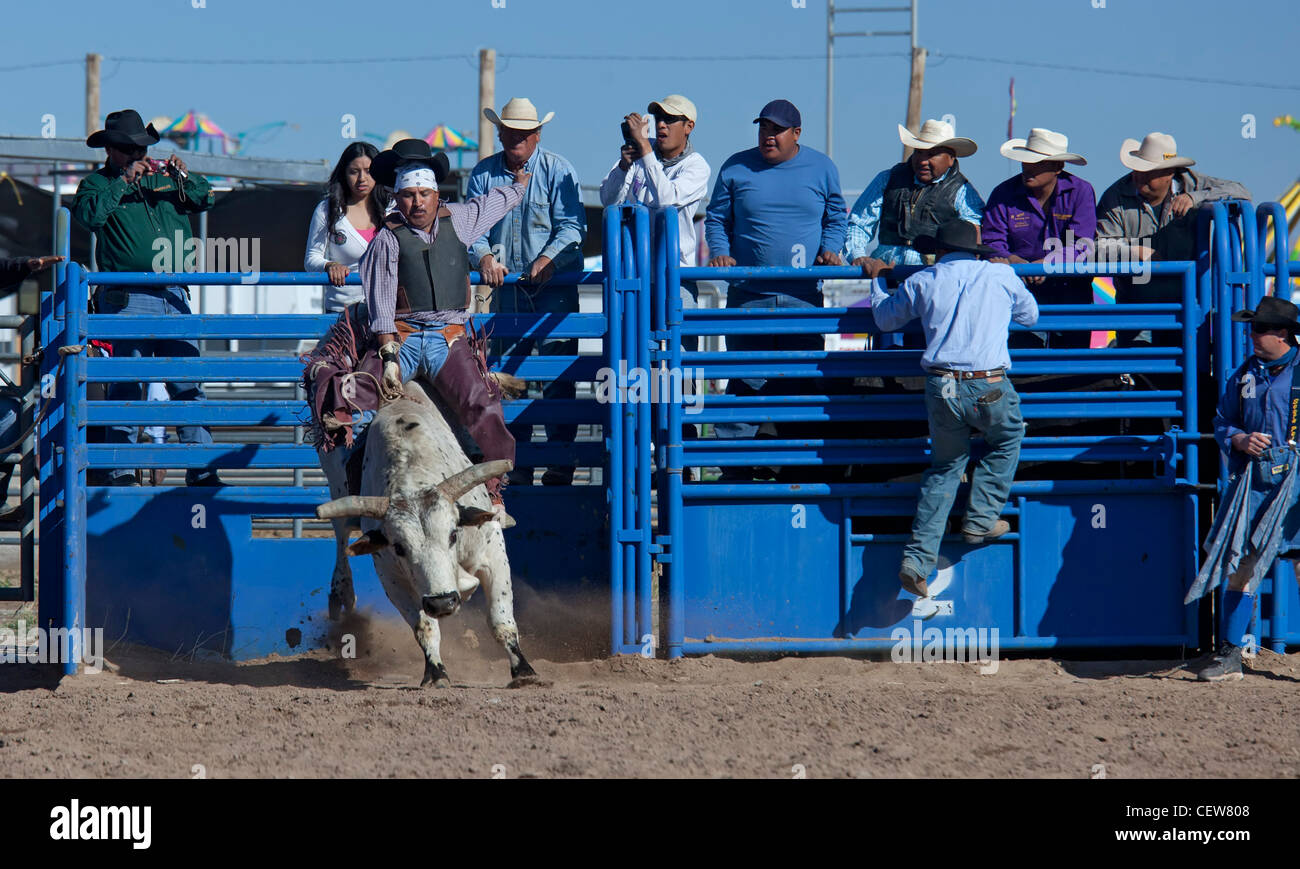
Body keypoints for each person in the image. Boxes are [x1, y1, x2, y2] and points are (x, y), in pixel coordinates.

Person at [867, 220, 1039, 597]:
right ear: (975, 251)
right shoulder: (1000, 276)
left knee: (945, 469)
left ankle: (916, 560)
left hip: (941, 385)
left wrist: (878, 280)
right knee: (1007, 439)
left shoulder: (924, 279)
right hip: (989, 383)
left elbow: (884, 318)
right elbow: (1031, 317)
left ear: (939, 251)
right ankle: (980, 519)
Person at [357, 138, 530, 509]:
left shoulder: (461, 219)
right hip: (401, 338)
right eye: (407, 195)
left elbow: (492, 204)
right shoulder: (386, 239)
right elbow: (381, 303)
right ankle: (356, 481)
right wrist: (388, 357)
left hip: (447, 338)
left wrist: (518, 186)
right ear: (397, 198)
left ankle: (493, 490)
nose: (416, 202)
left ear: (436, 195)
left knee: (482, 405)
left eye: (423, 193)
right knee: (357, 398)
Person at [71, 109, 221, 487]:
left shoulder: (165, 178)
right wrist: (122, 181)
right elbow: (89, 217)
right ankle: (120, 470)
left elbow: (206, 197)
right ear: (110, 150)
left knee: (188, 381)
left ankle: (200, 468)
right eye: (127, 148)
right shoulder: (96, 184)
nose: (136, 154)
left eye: (140, 147)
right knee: (126, 382)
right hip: (127, 296)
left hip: (173, 291)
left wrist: (183, 175)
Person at [703, 99, 847, 479]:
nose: (768, 135)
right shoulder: (736, 166)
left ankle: (799, 467)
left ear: (796, 133)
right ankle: (735, 468)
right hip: (749, 294)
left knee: (800, 378)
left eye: (777, 129)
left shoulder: (821, 167)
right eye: (764, 127)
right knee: (745, 377)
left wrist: (832, 249)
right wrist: (719, 253)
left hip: (803, 297)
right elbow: (716, 218)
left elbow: (837, 215)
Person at [466, 98, 586, 487]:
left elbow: (572, 227)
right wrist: (484, 257)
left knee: (554, 378)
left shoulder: (557, 170)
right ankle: (515, 463)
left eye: (523, 132)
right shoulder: (484, 174)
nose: (515, 138)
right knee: (507, 379)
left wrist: (548, 258)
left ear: (536, 135)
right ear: (500, 133)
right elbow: (472, 230)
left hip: (551, 290)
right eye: (509, 131)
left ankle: (555, 463)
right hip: (511, 292)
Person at [1187, 297, 1300, 681]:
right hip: (1257, 482)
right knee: (1241, 565)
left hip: (1297, 484)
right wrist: (1238, 440)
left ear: (1282, 334)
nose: (1252, 336)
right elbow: (1223, 420)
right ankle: (1231, 655)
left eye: (1259, 329)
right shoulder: (1245, 374)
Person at [1096, 132, 1251, 346]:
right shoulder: (1115, 196)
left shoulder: (1193, 186)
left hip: (1186, 300)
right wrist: (1134, 250)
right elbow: (1099, 246)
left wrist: (1194, 198)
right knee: (1141, 365)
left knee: (1186, 367)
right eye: (1137, 169)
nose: (1139, 176)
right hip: (1136, 300)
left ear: (1170, 173)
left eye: (1148, 172)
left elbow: (1241, 191)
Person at [982, 128, 1096, 348]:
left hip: (1070, 287)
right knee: (1023, 354)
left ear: (1058, 167)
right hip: (1019, 287)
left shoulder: (1080, 192)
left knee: (1071, 360)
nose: (1028, 168)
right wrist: (1012, 260)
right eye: (1026, 161)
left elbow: (1082, 244)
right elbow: (991, 242)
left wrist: (1047, 264)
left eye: (1038, 163)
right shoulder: (1002, 194)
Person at [845, 119, 984, 279]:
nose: (923, 161)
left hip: (933, 279)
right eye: (918, 152)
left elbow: (973, 239)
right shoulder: (888, 179)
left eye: (932, 154)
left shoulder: (963, 191)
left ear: (951, 158)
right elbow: (860, 224)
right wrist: (858, 256)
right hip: (886, 275)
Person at [305, 142, 389, 312]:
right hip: (341, 314)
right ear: (343, 173)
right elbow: (311, 259)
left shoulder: (392, 208)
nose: (362, 179)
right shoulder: (327, 209)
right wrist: (330, 266)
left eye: (368, 171)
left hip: (386, 312)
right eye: (354, 171)